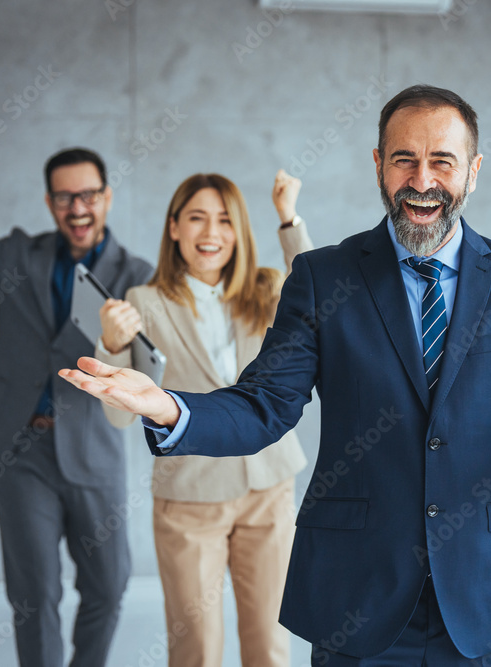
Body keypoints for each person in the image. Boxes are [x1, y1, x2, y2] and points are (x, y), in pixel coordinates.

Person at [60, 84, 491, 666]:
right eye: (404, 160)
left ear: (473, 170)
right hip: (356, 598)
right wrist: (168, 405)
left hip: (481, 595)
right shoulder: (323, 278)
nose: (422, 181)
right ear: (378, 166)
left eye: (442, 161)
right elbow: (266, 403)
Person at [0, 141, 153, 667]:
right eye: (64, 197)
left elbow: (151, 367)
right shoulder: (16, 255)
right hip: (19, 451)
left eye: (87, 194)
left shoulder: (137, 276)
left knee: (108, 587)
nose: (77, 207)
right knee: (34, 597)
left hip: (93, 448)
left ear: (106, 197)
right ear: (48, 203)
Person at [94, 169, 313, 666]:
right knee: (196, 649)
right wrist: (110, 344)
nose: (211, 234)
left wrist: (288, 218)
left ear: (238, 231)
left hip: (268, 488)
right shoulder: (142, 303)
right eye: (196, 218)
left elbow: (323, 294)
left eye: (224, 221)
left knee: (270, 643)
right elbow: (118, 417)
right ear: (174, 228)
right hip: (189, 498)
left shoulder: (265, 288)